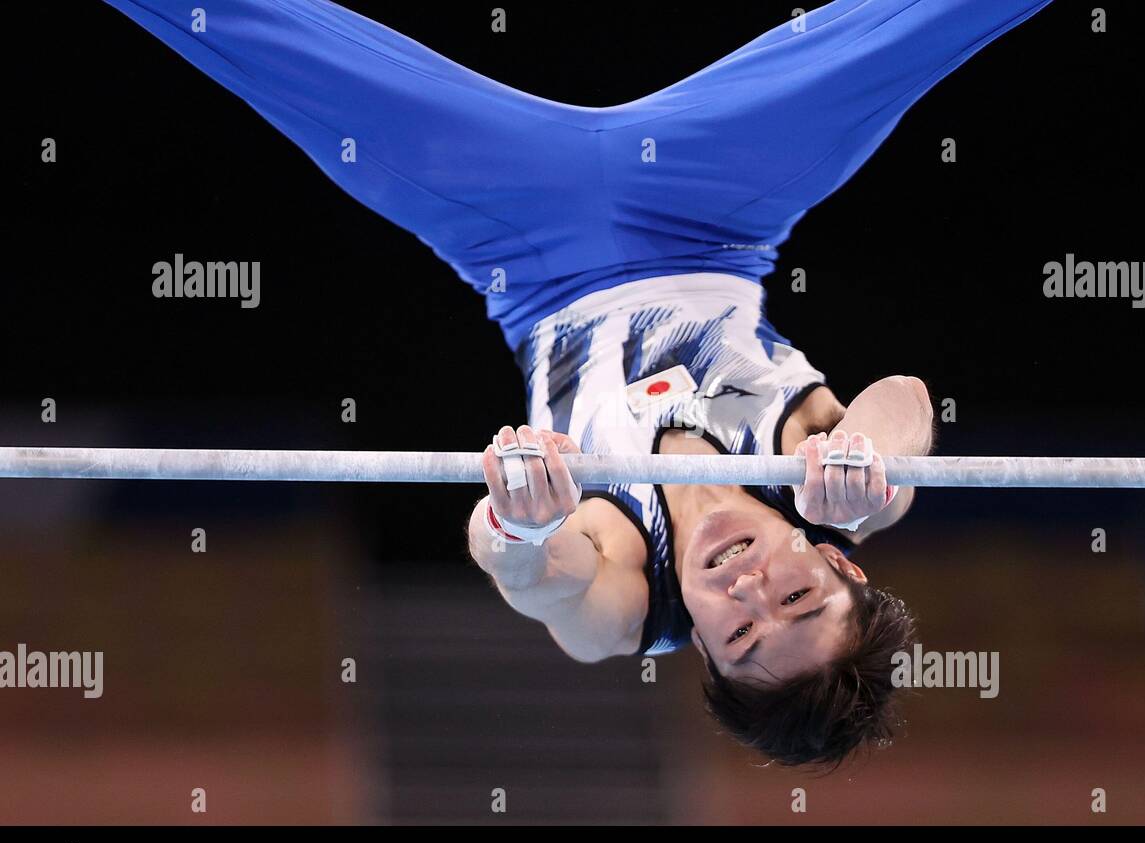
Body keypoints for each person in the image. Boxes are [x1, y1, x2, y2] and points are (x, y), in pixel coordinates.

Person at [101, 0, 1052, 766]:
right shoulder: (825, 492)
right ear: (839, 564)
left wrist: (518, 525)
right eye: (797, 600)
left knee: (254, 30)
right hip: (717, 203)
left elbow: (540, 580)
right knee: (931, 20)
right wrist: (865, 462)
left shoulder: (631, 595)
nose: (751, 588)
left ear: (704, 650)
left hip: (523, 232)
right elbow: (908, 403)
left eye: (740, 635)